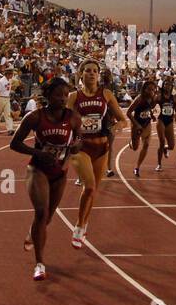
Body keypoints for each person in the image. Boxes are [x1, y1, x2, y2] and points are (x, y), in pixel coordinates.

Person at [9, 78, 81, 281]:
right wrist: (38, 153)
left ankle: (33, 233)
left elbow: (79, 139)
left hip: (60, 171)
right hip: (38, 169)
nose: (62, 99)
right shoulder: (35, 117)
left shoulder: (73, 117)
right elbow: (14, 144)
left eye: (66, 95)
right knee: (41, 213)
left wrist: (77, 145)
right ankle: (39, 263)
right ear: (48, 96)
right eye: (58, 94)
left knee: (48, 216)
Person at [67, 60, 126, 248]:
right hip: (82, 148)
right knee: (90, 186)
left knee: (92, 190)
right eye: (88, 71)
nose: (92, 74)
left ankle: (83, 224)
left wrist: (115, 128)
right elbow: (65, 120)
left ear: (98, 75)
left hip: (102, 148)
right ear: (81, 74)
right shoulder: (73, 96)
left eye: (95, 71)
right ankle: (78, 225)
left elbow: (123, 120)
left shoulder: (106, 94)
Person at [127, 81, 158, 178]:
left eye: (153, 89)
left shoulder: (152, 98)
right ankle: (131, 142)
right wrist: (136, 125)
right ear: (144, 89)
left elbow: (148, 109)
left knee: (146, 144)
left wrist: (152, 116)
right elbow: (128, 113)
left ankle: (137, 167)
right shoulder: (139, 99)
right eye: (149, 89)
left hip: (147, 124)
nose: (151, 91)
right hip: (137, 124)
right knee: (135, 148)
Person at [154, 79, 176, 170]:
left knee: (171, 146)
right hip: (161, 120)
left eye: (169, 84)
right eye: (165, 84)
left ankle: (165, 149)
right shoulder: (159, 97)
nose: (167, 86)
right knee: (162, 142)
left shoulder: (174, 97)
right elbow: (151, 105)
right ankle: (159, 164)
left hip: (170, 121)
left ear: (171, 86)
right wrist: (152, 111)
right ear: (163, 86)